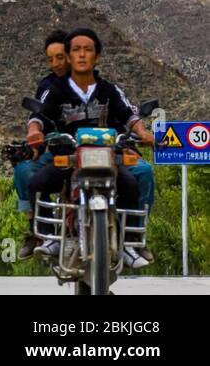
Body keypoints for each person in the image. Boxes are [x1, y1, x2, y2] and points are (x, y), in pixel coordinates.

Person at [26, 27, 154, 268]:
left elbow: (129, 115)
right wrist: (34, 132)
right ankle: (47, 236)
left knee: (129, 184)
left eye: (88, 50)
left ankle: (131, 243)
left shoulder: (109, 90)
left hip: (107, 156)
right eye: (76, 50)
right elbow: (38, 117)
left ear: (97, 56)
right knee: (38, 183)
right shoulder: (56, 90)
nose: (82, 55)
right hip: (70, 155)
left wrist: (143, 132)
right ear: (69, 56)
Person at [15, 31, 72, 259]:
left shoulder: (93, 84)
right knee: (24, 170)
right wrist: (34, 134)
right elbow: (38, 115)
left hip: (94, 152)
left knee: (138, 172)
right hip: (58, 152)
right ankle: (39, 231)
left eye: (60, 57)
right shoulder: (48, 86)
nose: (55, 63)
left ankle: (130, 237)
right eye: (50, 59)